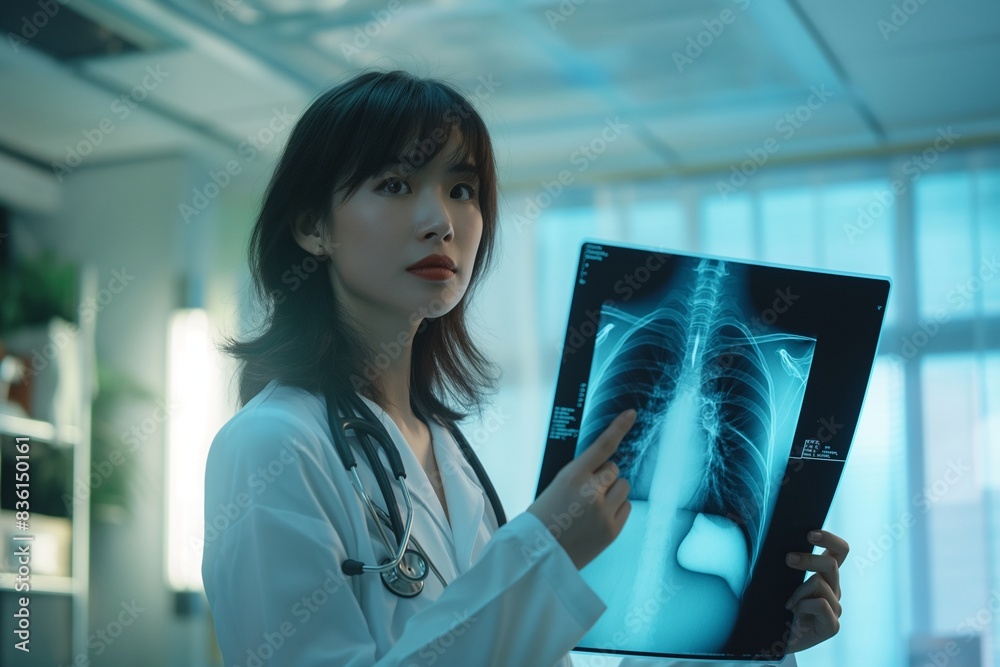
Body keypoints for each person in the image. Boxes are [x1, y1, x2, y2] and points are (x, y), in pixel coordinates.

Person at [201, 69, 848, 667]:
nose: (441, 222)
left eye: (462, 189)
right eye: (395, 184)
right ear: (313, 226)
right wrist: (547, 550)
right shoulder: (272, 446)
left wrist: (756, 646)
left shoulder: (450, 455)